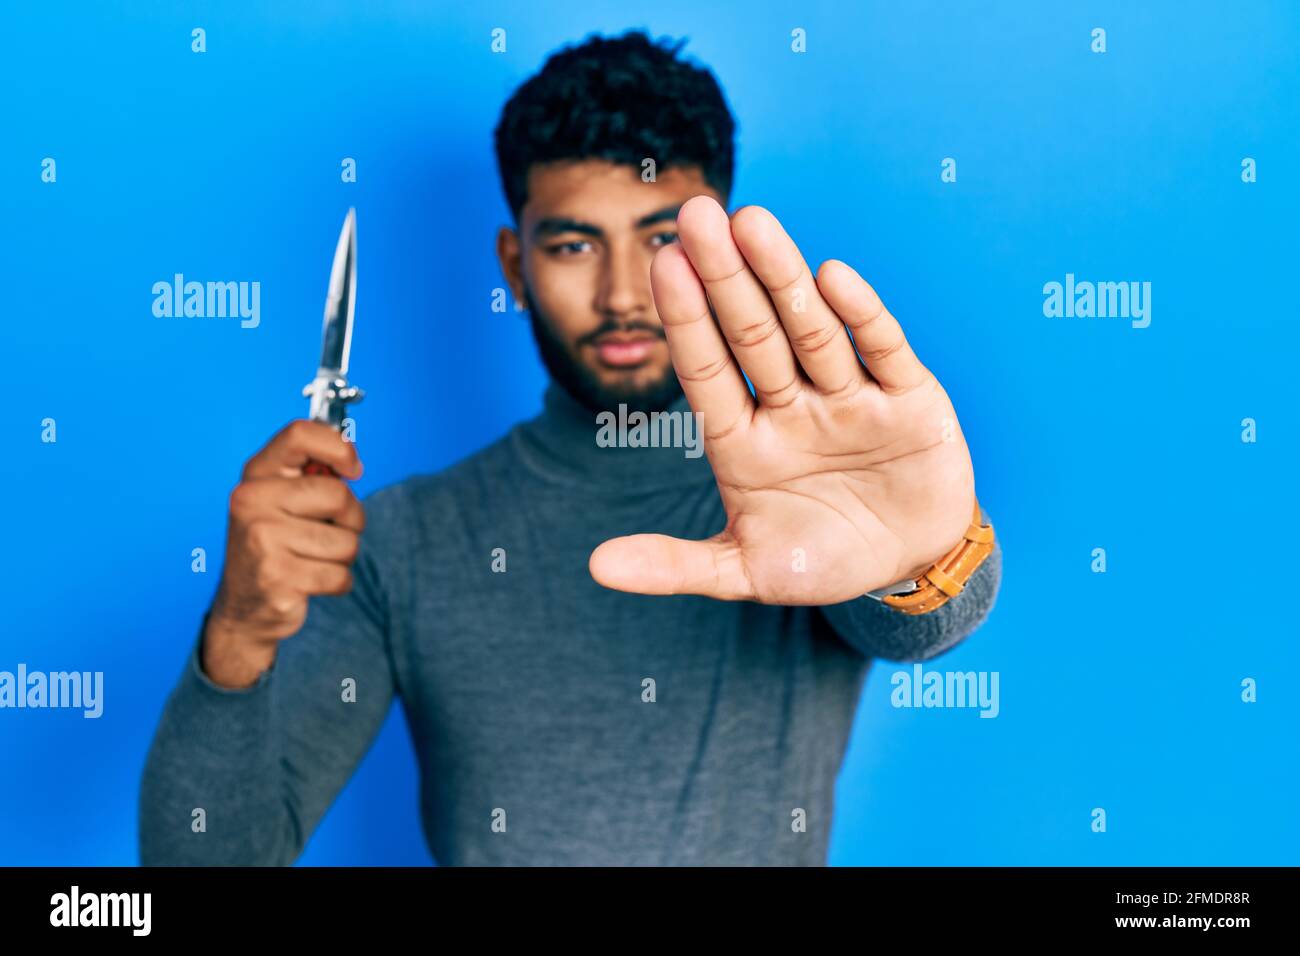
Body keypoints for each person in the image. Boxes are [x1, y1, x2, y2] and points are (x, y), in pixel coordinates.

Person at [139, 30, 1002, 866]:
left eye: (665, 239)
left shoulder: (802, 498)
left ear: (723, 249)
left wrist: (920, 558)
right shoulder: (403, 541)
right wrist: (241, 632)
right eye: (573, 244)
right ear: (515, 266)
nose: (625, 294)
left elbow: (925, 629)